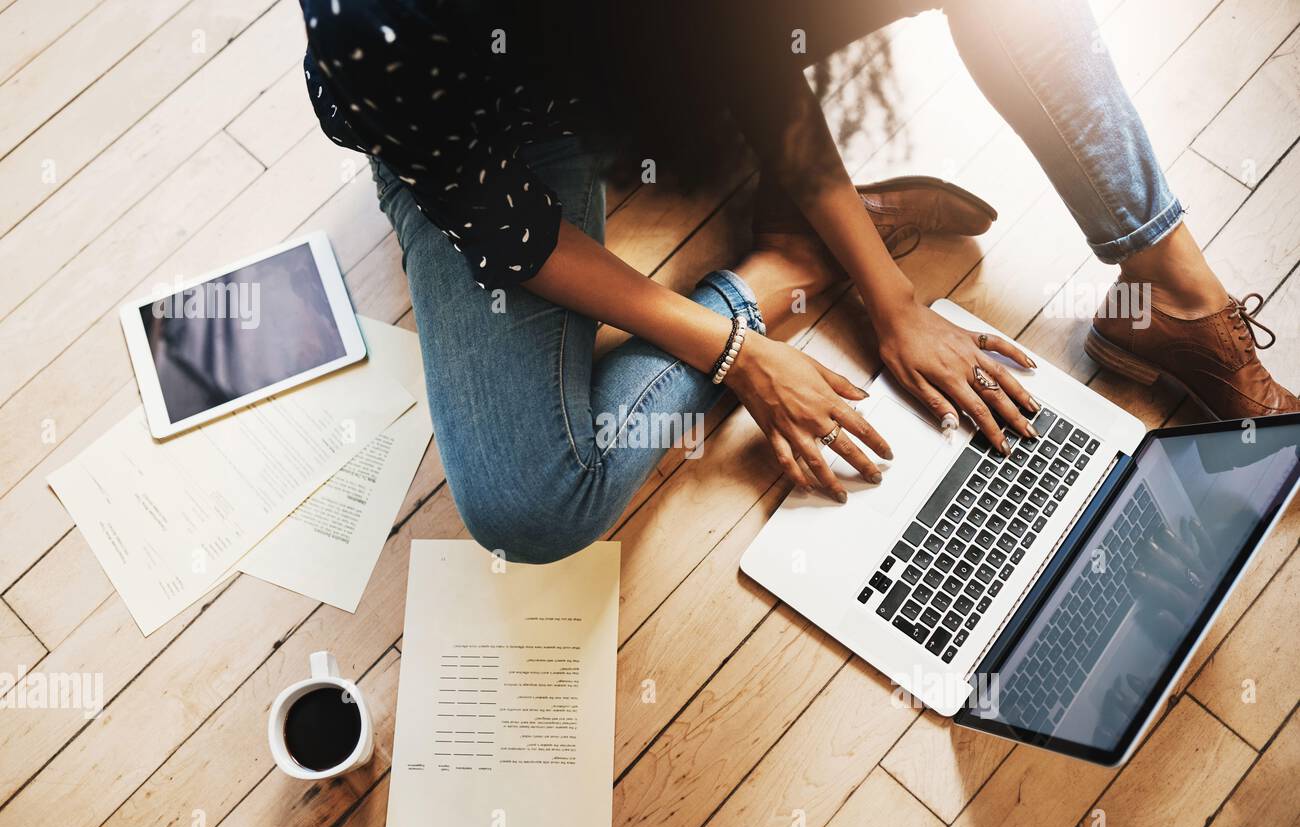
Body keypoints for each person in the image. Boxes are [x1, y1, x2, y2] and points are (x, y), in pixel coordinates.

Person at [298, 0, 1298, 563]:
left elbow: (744, 55)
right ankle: (783, 260)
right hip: (495, 137)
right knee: (527, 507)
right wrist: (740, 346)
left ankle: (1175, 292)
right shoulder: (382, 28)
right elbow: (509, 233)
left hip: (645, 47)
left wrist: (893, 299)